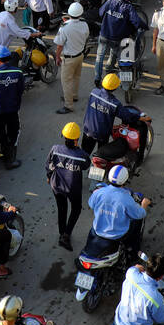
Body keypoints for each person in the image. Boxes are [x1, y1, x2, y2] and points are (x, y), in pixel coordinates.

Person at [88, 164, 149, 257]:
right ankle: (134, 252)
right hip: (118, 235)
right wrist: (144, 204)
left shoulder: (99, 192)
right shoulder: (126, 198)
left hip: (97, 231)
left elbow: (91, 204)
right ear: (125, 179)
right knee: (137, 222)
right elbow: (140, 214)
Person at [46, 122, 89, 250]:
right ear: (76, 140)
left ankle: (62, 232)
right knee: (76, 209)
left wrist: (49, 176)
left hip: (57, 186)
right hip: (73, 189)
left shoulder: (55, 149)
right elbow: (86, 165)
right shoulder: (81, 155)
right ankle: (66, 235)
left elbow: (48, 164)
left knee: (62, 208)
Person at [96, 0, 145, 85]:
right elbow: (136, 22)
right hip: (117, 39)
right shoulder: (128, 7)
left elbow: (100, 13)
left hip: (104, 35)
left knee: (99, 57)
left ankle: (97, 79)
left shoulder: (110, 2)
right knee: (114, 54)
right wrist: (144, 26)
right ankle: (109, 71)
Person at [53, 1, 90, 115]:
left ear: (69, 13)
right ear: (80, 13)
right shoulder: (84, 24)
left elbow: (59, 45)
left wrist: (57, 57)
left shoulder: (64, 27)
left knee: (66, 81)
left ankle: (69, 105)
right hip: (80, 55)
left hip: (69, 59)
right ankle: (74, 96)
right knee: (76, 77)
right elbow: (86, 36)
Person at [81, 73, 122, 161]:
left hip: (88, 130)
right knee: (101, 157)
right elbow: (126, 116)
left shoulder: (94, 92)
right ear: (115, 87)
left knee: (84, 155)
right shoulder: (115, 104)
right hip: (103, 134)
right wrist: (139, 117)